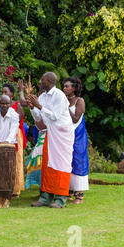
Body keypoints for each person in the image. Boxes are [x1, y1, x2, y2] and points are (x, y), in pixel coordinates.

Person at [27, 72, 75, 208]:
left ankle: (60, 198)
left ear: (49, 81)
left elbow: (54, 116)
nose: (40, 81)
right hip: (51, 132)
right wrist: (32, 107)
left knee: (61, 164)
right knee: (48, 164)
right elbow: (38, 118)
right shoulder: (43, 96)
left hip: (62, 133)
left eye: (42, 79)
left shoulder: (59, 95)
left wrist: (39, 106)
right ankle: (45, 197)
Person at [63, 77, 89, 204]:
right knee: (67, 162)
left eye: (67, 86)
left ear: (74, 88)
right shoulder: (63, 100)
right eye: (64, 86)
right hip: (65, 136)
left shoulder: (80, 101)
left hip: (78, 136)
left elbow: (75, 119)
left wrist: (66, 107)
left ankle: (79, 195)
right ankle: (68, 191)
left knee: (78, 161)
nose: (64, 88)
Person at [2, 83, 26, 197]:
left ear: (12, 94)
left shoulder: (17, 105)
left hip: (15, 135)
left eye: (6, 92)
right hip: (4, 134)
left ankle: (15, 189)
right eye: (2, 92)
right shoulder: (0, 106)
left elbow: (17, 121)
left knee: (16, 160)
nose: (4, 94)